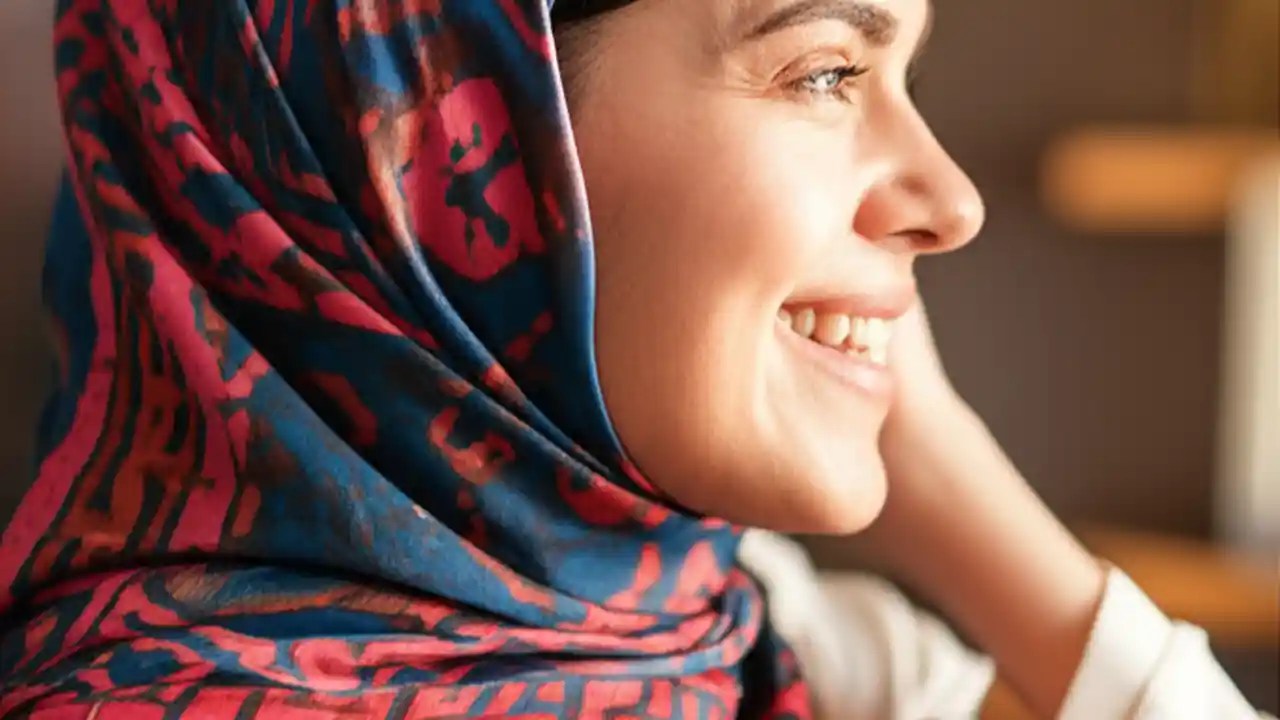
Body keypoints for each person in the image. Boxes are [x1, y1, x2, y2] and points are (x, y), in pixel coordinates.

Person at [0, 0, 1268, 717]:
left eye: (904, 79)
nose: (951, 199)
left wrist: (934, 460)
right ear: (439, 145)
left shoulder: (756, 635)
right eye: (824, 72)